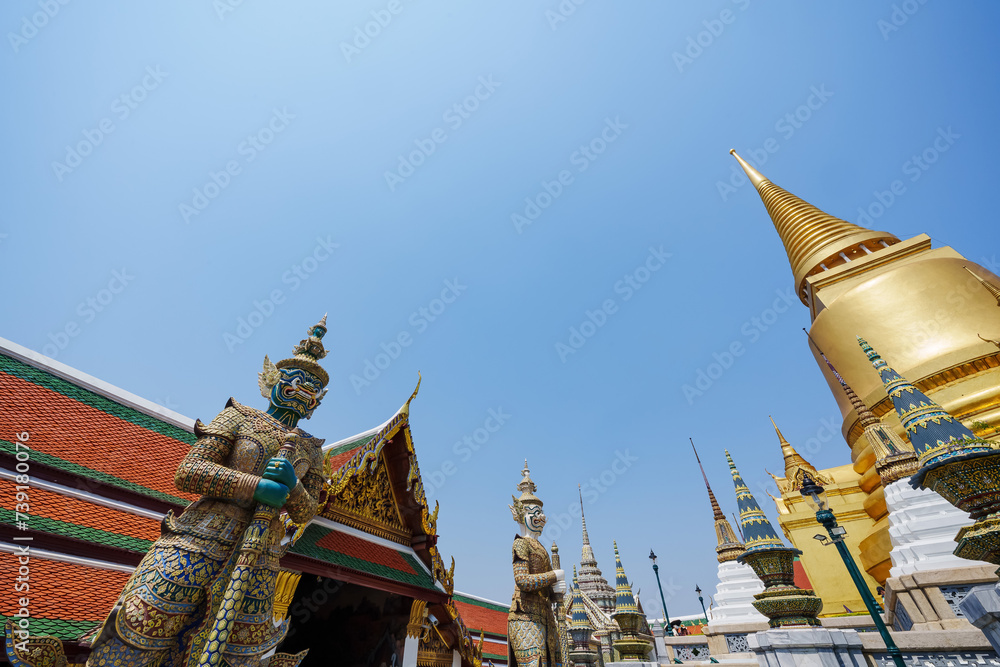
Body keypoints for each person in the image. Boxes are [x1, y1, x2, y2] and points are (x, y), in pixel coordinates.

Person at [86, 318, 331, 667]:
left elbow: (307, 512)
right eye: (296, 380)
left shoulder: (312, 450)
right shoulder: (238, 417)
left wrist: (292, 486)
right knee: (141, 632)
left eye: (313, 387)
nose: (304, 389)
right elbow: (189, 472)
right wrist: (256, 486)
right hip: (201, 537)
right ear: (272, 381)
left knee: (236, 656)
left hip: (259, 556)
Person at [507, 462, 565, 667]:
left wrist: (557, 591)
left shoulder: (541, 549)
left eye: (541, 513)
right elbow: (523, 581)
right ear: (521, 514)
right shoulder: (520, 544)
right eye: (535, 512)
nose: (541, 518)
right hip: (525, 616)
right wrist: (555, 576)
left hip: (546, 617)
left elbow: (547, 590)